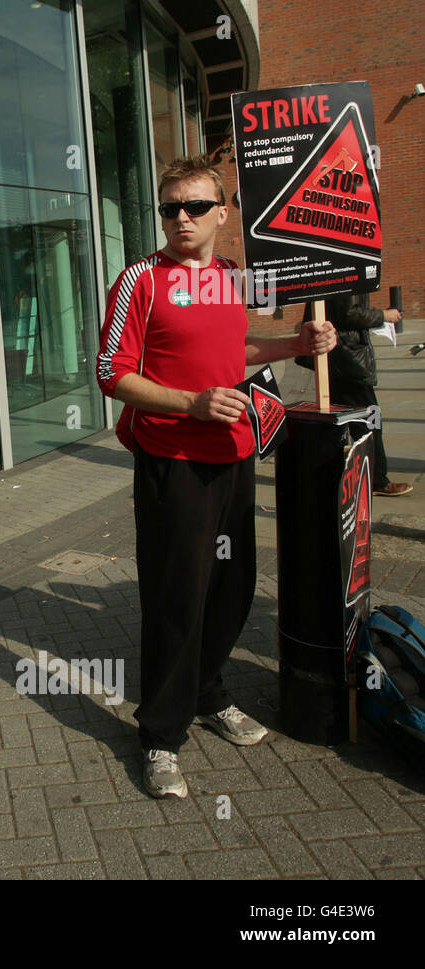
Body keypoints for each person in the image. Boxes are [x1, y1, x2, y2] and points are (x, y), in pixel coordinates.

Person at [96, 155, 337, 799]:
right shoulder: (139, 280)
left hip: (235, 454)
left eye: (195, 206)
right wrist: (191, 402)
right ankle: (159, 735)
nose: (181, 217)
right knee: (177, 597)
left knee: (232, 589)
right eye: (170, 207)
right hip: (171, 461)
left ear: (222, 214)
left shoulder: (234, 279)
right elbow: (110, 373)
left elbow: (237, 353)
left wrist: (295, 346)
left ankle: (208, 693)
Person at [300, 294, 412, 496]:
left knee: (338, 422)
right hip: (346, 358)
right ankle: (376, 479)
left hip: (337, 356)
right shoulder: (347, 267)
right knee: (369, 420)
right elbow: (348, 314)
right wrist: (383, 315)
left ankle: (330, 477)